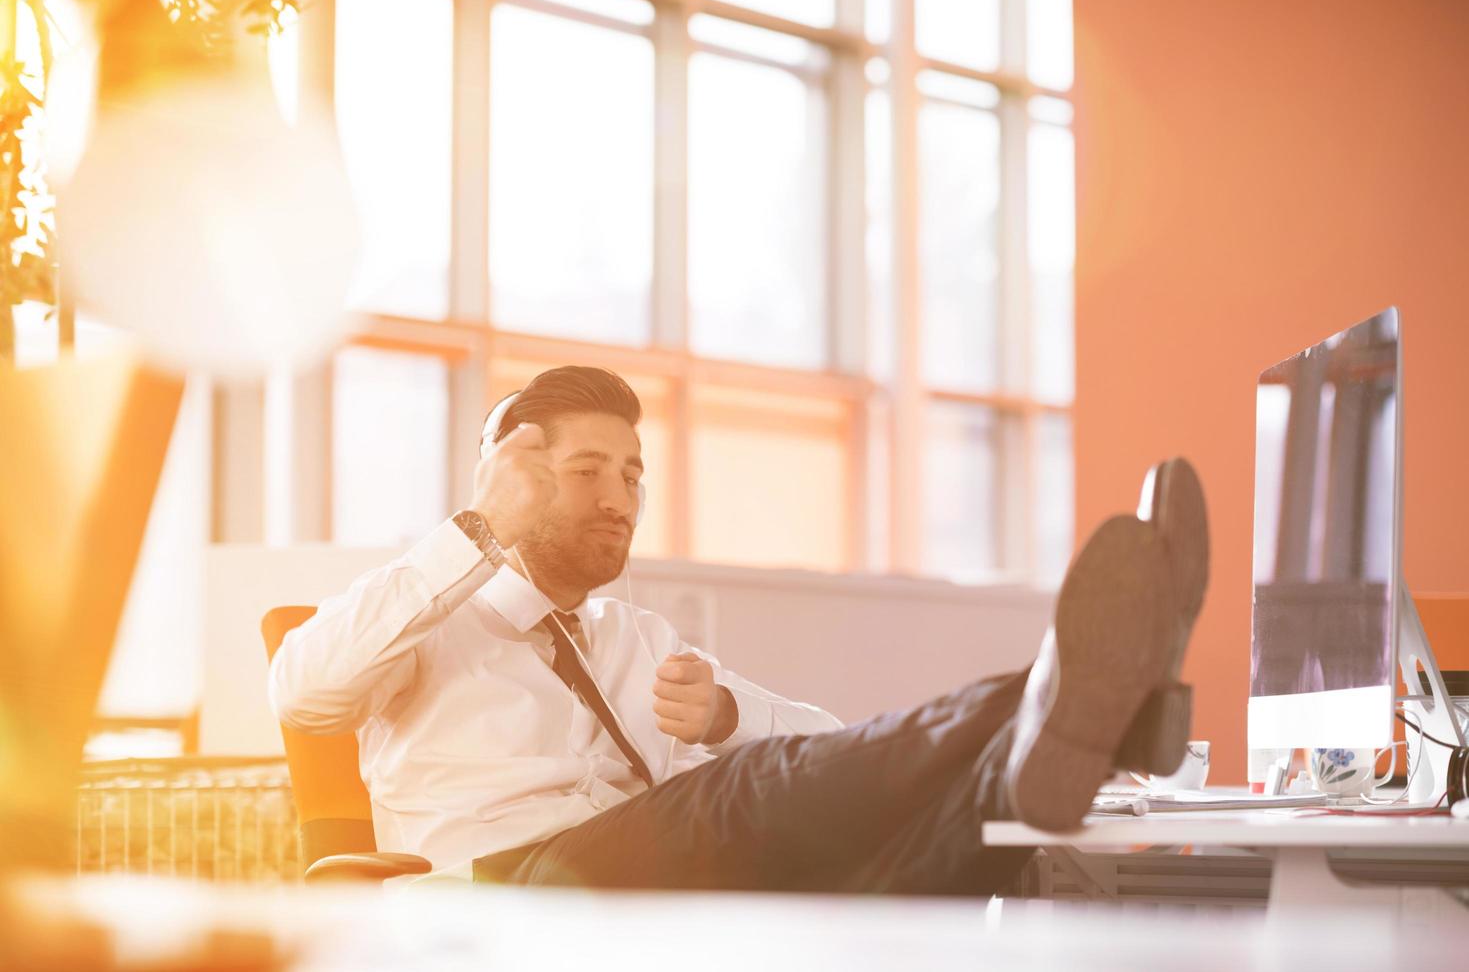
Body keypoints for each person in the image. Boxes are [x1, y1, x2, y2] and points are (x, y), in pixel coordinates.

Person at [270, 366, 1208, 894]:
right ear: (511, 477)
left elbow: (832, 754)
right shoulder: (425, 614)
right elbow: (302, 691)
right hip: (503, 893)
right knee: (744, 794)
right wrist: (476, 529)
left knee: (922, 853)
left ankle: (1063, 729)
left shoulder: (635, 637)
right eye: (589, 470)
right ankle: (1071, 697)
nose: (619, 498)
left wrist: (725, 714)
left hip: (639, 884)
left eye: (633, 475)